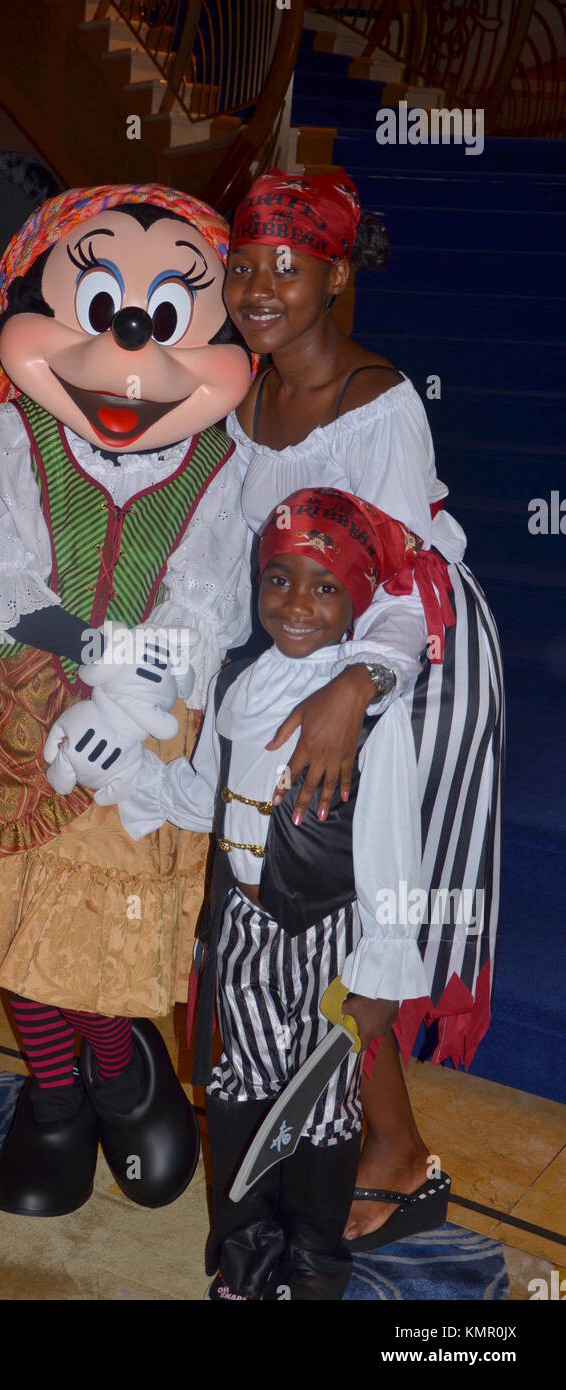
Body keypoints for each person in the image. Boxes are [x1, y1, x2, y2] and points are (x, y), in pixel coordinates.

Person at [0, 158, 256, 1216]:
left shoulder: (226, 462)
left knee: (100, 940)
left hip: (144, 727)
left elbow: (210, 598)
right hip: (3, 703)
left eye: (168, 315)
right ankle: (62, 1098)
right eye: (101, 305)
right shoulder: (13, 433)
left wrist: (132, 680)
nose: (128, 343)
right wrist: (85, 647)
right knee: (14, 924)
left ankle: (122, 1074)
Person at [223, 169, 504, 1247]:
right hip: (309, 646)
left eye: (286, 268)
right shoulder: (243, 387)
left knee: (355, 899)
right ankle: (362, 1132)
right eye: (244, 265)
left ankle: (397, 1152)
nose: (259, 285)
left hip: (406, 658)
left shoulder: (380, 402)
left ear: (336, 275)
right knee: (296, 901)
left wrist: (356, 689)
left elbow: (407, 581)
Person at [108, 486, 452, 1299]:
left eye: (325, 587)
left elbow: (393, 855)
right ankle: (245, 1255)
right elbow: (207, 795)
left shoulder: (368, 711)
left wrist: (378, 979)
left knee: (322, 1102)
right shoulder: (235, 682)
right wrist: (125, 776)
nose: (297, 604)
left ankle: (313, 1263)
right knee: (239, 1092)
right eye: (279, 580)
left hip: (329, 930)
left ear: (357, 600)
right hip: (245, 926)